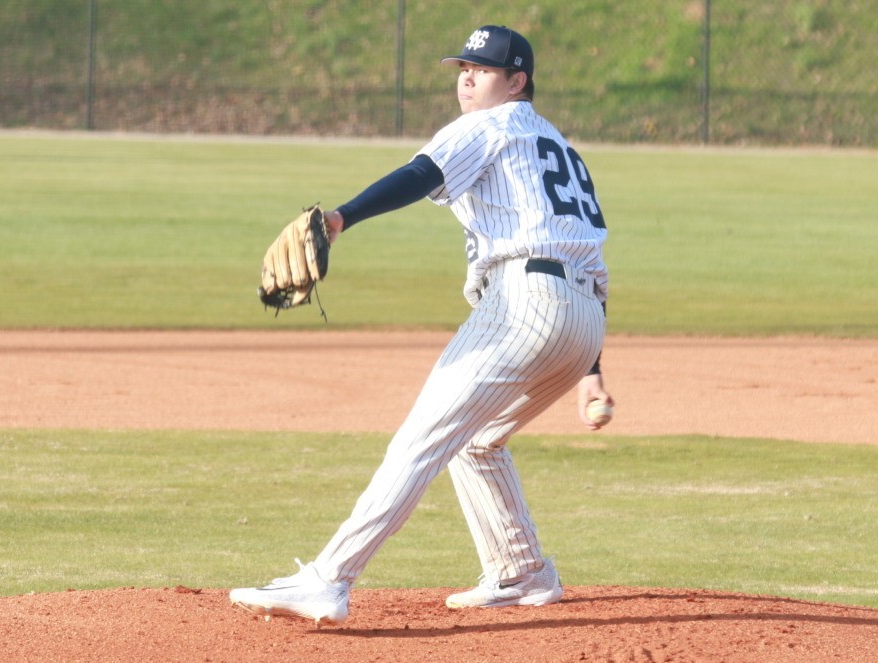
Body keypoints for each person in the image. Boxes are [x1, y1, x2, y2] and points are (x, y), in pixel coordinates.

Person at [229, 24, 613, 625]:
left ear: (517, 82)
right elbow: (582, 253)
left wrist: (341, 218)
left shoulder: (489, 125)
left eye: (483, 70)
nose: (467, 78)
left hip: (525, 304)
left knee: (422, 438)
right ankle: (522, 571)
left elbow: (421, 172)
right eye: (463, 67)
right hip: (582, 317)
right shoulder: (557, 146)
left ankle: (329, 579)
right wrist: (590, 369)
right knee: (475, 441)